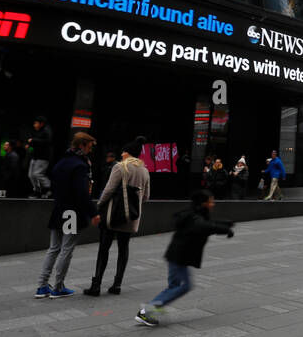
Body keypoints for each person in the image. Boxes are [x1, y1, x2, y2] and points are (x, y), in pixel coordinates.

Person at [135, 190, 234, 327]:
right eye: (211, 201)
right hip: (179, 256)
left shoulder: (195, 213)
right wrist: (224, 229)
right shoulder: (194, 217)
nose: (213, 204)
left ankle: (150, 309)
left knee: (175, 286)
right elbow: (203, 226)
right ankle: (146, 311)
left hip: (178, 255)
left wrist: (224, 224)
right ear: (203, 203)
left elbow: (206, 223)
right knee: (183, 286)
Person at [35, 132, 98, 300]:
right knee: (66, 249)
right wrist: (93, 212)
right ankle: (58, 287)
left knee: (53, 248)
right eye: (89, 147)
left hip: (58, 209)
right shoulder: (79, 165)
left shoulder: (61, 162)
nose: (90, 151)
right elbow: (81, 192)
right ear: (82, 145)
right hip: (71, 213)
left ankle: (42, 286)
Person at [85, 138, 150, 297]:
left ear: (128, 153)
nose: (121, 153)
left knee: (104, 248)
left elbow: (108, 190)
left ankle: (96, 285)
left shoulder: (120, 167)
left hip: (113, 215)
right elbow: (146, 197)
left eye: (123, 151)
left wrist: (98, 206)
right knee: (123, 248)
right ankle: (117, 285)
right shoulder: (144, 171)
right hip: (131, 217)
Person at [27, 116, 54, 198]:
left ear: (41, 123)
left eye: (36, 123)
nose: (34, 125)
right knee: (31, 175)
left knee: (37, 174)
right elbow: (36, 142)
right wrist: (29, 144)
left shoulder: (46, 130)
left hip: (43, 157)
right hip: (35, 156)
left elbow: (47, 141)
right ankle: (37, 191)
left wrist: (33, 140)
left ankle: (50, 188)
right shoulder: (37, 131)